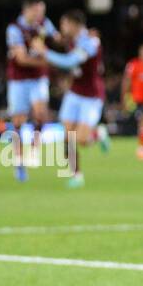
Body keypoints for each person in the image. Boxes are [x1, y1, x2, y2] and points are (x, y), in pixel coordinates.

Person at [46, 11, 108, 188]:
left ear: (74, 25)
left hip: (92, 96)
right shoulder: (69, 39)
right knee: (67, 137)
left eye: (64, 24)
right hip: (74, 93)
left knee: (81, 139)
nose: (62, 28)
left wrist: (46, 54)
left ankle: (97, 134)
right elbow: (53, 34)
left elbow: (70, 62)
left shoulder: (90, 42)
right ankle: (76, 174)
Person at [4, 0, 58, 181]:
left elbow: (57, 39)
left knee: (41, 113)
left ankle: (34, 150)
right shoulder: (14, 29)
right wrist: (48, 59)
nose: (40, 15)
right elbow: (22, 59)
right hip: (18, 80)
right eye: (36, 12)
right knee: (18, 120)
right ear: (26, 11)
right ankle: (19, 162)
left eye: (42, 12)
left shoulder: (44, 23)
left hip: (38, 78)